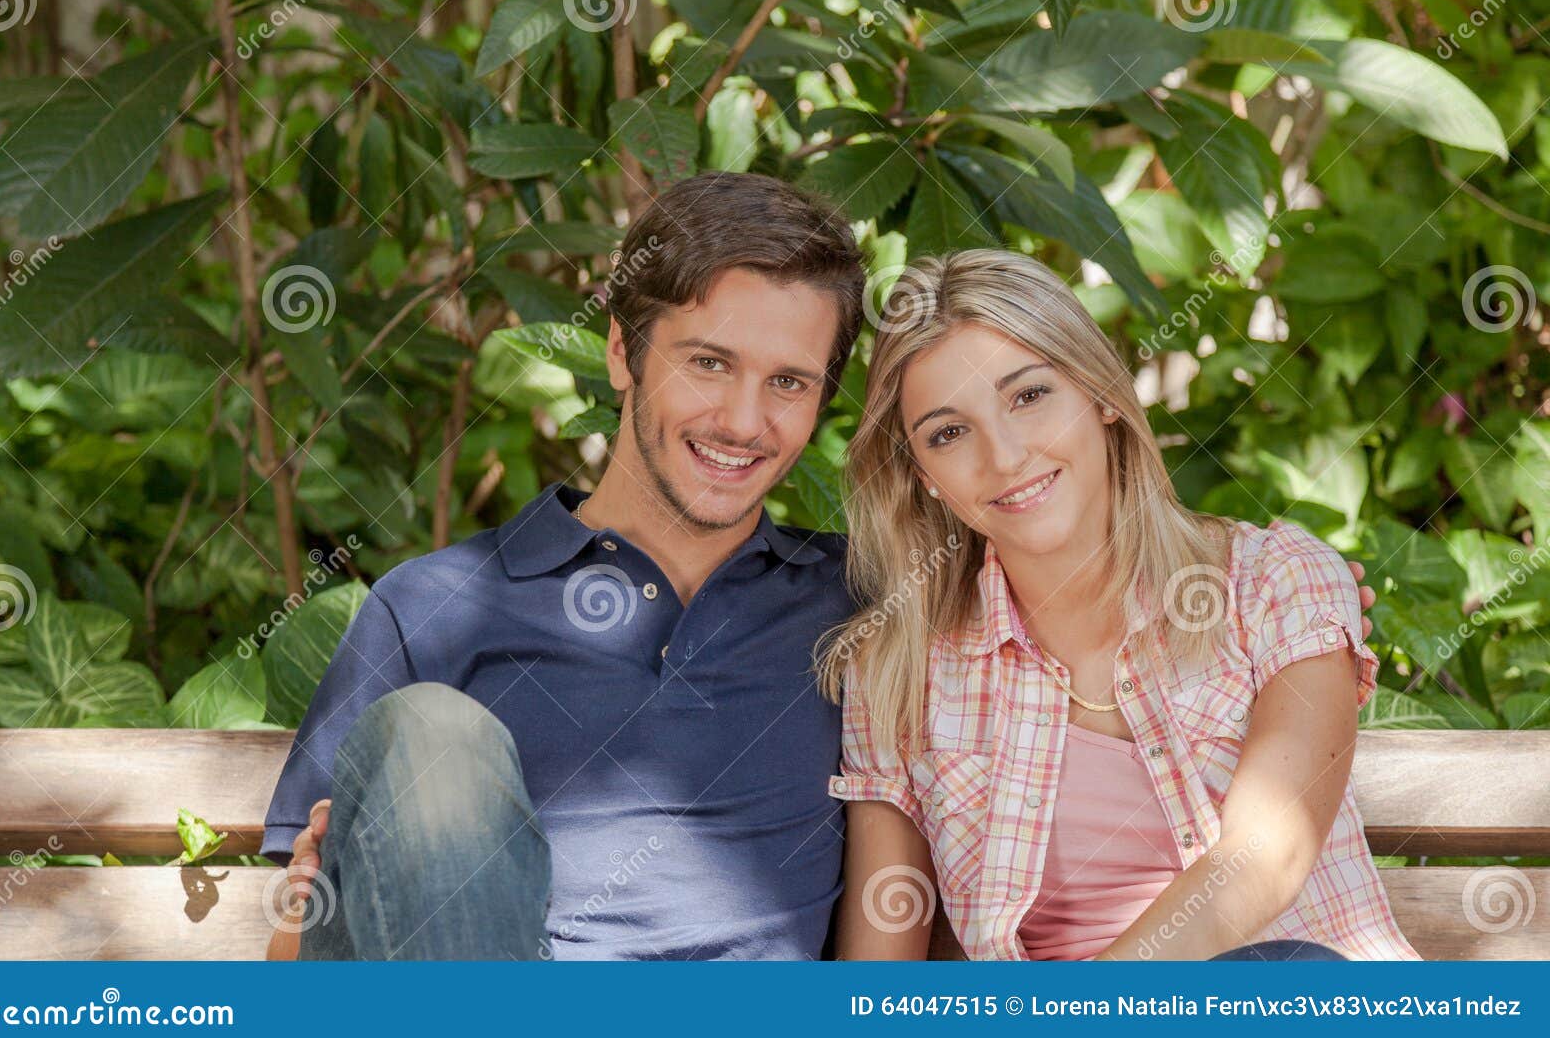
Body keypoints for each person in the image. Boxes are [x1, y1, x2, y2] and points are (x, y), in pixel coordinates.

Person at [263, 175, 1378, 960]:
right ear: (618, 350)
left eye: (789, 382)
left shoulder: (874, 617)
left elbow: (1070, 544)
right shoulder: (434, 606)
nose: (742, 419)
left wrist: (1286, 599)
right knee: (429, 737)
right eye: (707, 362)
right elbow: (316, 924)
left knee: (1283, 984)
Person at [822, 250, 1418, 962]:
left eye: (1029, 395)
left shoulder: (1275, 582)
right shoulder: (901, 670)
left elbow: (1266, 858)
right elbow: (878, 969)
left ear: (1101, 393)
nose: (1005, 455)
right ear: (925, 477)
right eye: (949, 433)